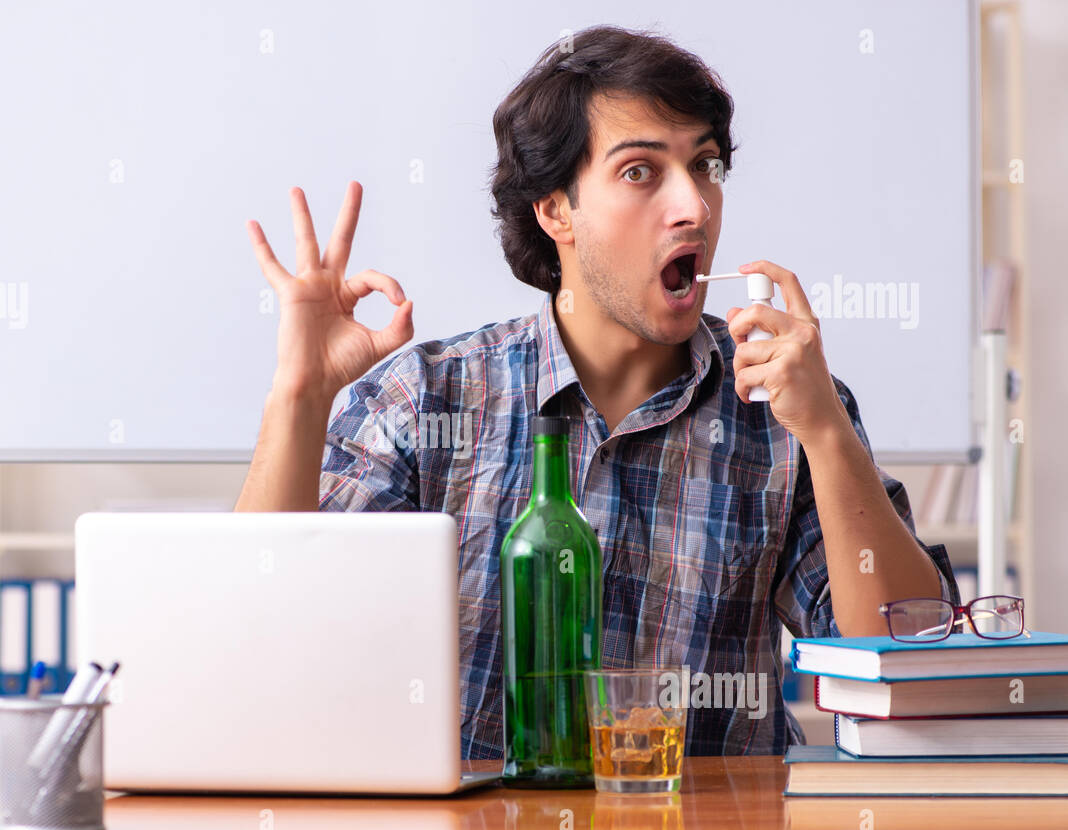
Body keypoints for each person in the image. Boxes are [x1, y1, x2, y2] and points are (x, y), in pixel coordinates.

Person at [235, 26, 959, 759]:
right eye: (642, 172)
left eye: (704, 165)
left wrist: (828, 434)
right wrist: (299, 393)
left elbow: (904, 672)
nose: (695, 208)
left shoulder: (787, 411)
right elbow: (268, 645)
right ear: (555, 211)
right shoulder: (426, 401)